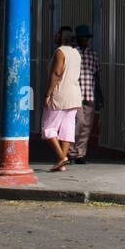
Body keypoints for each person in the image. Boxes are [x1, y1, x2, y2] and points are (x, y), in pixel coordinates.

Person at [41, 32, 82, 171]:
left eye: (58, 34)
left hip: (60, 94)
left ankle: (61, 157)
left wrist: (48, 94)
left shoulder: (60, 51)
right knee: (67, 130)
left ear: (62, 38)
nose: (55, 35)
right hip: (75, 95)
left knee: (48, 128)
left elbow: (56, 73)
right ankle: (61, 163)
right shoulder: (76, 53)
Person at [69, 23, 101, 164]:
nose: (84, 40)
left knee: (87, 125)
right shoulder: (72, 53)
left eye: (86, 38)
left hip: (89, 93)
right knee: (77, 123)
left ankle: (81, 154)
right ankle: (70, 151)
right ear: (77, 38)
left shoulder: (93, 53)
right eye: (82, 37)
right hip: (74, 94)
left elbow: (96, 75)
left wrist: (100, 94)